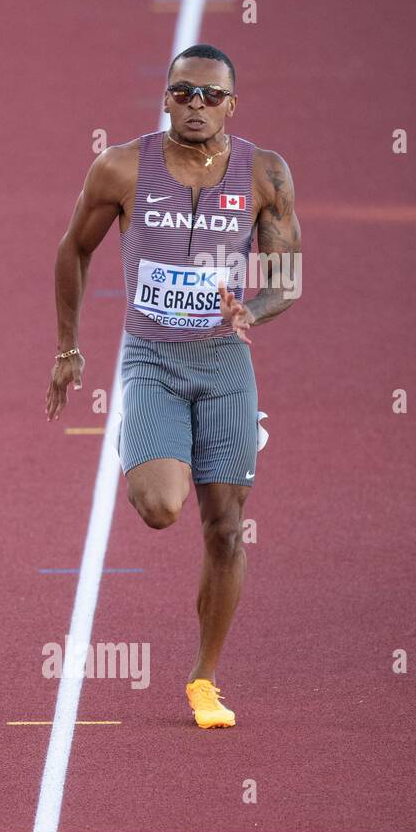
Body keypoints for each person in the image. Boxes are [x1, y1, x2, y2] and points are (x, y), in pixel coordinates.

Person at [46, 44, 301, 727]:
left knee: (226, 528)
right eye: (183, 92)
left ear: (231, 106)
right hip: (152, 358)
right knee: (160, 508)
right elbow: (74, 248)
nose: (196, 105)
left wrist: (255, 308)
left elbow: (287, 276)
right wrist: (69, 345)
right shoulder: (121, 166)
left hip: (224, 363)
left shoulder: (267, 173)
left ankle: (204, 680)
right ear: (164, 98)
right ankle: (142, 435)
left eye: (210, 96)